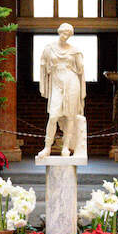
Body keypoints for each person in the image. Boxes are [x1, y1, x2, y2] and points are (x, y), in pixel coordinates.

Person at [36, 23, 86, 159]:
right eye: (64, 33)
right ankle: (47, 147)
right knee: (53, 116)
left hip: (71, 82)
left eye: (69, 34)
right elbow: (43, 66)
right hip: (57, 83)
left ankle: (66, 147)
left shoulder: (75, 50)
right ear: (59, 32)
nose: (66, 36)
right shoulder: (49, 49)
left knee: (70, 116)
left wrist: (79, 62)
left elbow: (81, 70)